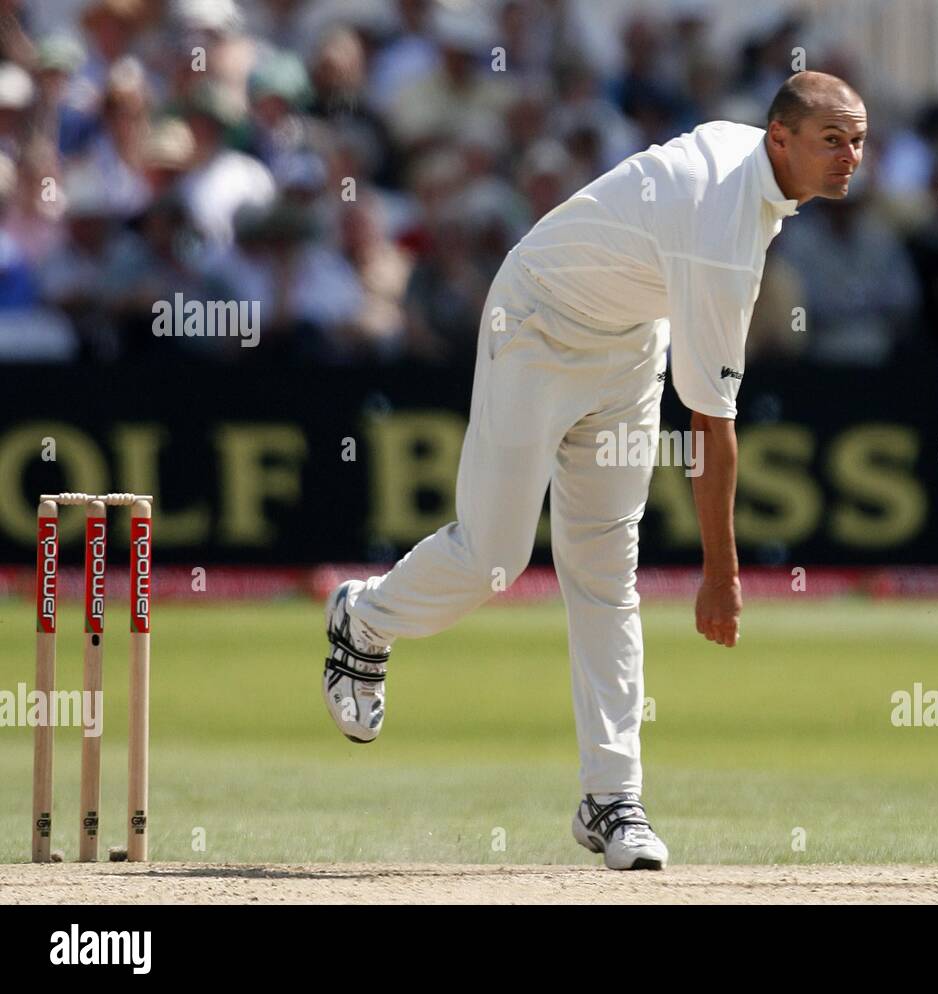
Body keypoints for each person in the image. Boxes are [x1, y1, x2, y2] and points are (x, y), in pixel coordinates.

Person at [321, 71, 867, 870]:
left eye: (857, 140)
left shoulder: (752, 171)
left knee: (607, 571)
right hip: (538, 321)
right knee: (493, 557)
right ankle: (364, 618)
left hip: (629, 343)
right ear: (779, 138)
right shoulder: (720, 232)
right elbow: (713, 427)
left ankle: (612, 801)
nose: (851, 156)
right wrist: (722, 572)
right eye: (833, 140)